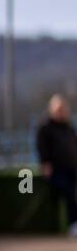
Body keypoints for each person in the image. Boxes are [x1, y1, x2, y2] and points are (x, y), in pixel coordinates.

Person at [36, 94, 77, 236]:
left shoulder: (69, 128)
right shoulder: (45, 128)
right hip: (56, 170)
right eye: (58, 109)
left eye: (63, 109)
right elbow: (41, 148)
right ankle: (73, 224)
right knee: (69, 192)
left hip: (71, 168)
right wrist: (45, 164)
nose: (61, 112)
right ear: (52, 110)